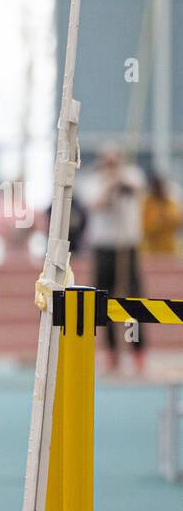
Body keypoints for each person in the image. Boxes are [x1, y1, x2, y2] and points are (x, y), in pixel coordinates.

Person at [81, 146, 147, 373]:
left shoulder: (132, 175)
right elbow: (95, 204)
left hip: (127, 246)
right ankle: (111, 352)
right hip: (104, 247)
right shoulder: (93, 181)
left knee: (133, 300)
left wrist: (119, 179)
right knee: (104, 300)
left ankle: (137, 350)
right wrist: (110, 186)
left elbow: (137, 189)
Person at [141, 172, 181, 256]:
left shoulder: (169, 202)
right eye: (157, 186)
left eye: (161, 185)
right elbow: (145, 226)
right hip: (151, 250)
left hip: (168, 249)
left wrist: (168, 219)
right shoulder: (147, 203)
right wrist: (160, 221)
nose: (159, 188)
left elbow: (177, 221)